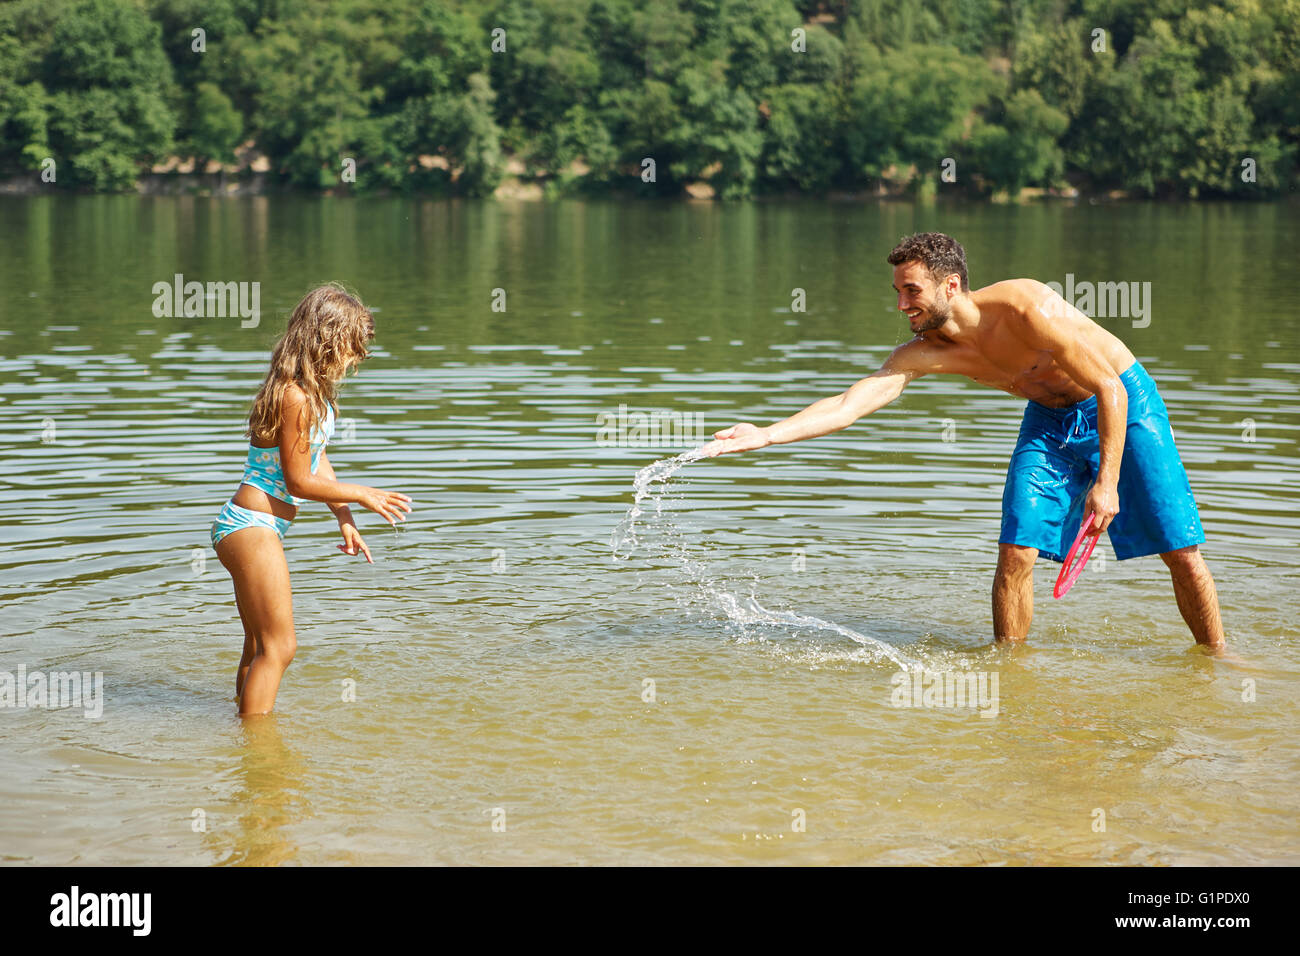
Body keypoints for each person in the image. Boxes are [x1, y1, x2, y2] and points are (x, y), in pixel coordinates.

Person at [703, 232, 1225, 650]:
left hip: (1121, 403)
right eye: (898, 292)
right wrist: (765, 434)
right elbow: (849, 404)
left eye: (913, 291)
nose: (903, 304)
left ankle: (1217, 658)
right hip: (1048, 421)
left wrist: (1107, 483)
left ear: (950, 285)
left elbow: (1109, 386)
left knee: (1178, 551)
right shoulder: (924, 352)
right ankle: (1010, 673)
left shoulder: (1026, 308)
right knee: (1016, 552)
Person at [211, 284, 413, 716]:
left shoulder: (313, 397)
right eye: (352, 348)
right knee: (281, 647)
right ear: (328, 340)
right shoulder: (294, 397)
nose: (356, 359)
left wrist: (345, 517)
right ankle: (260, 755)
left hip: (251, 528)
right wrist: (363, 494)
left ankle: (240, 741)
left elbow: (318, 461)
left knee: (259, 646)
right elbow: (299, 482)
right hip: (251, 527)